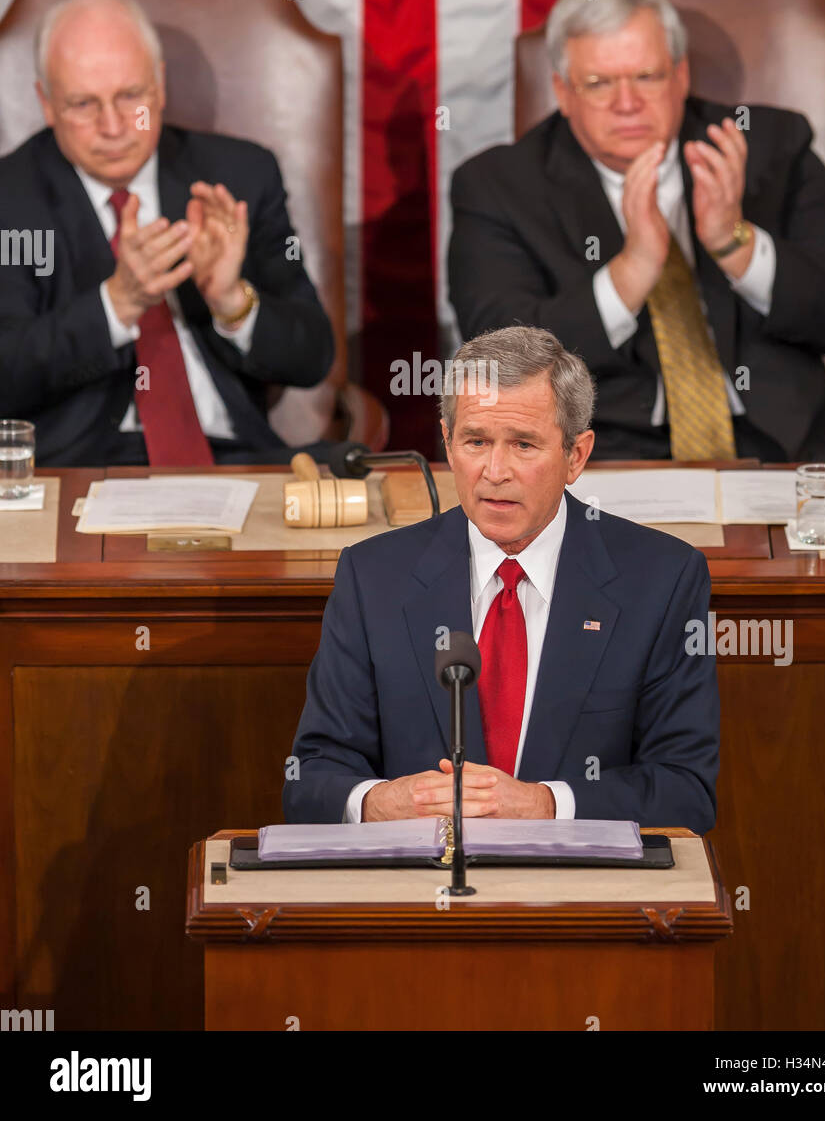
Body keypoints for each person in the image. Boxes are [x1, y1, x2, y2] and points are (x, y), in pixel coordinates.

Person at [284, 326, 719, 832]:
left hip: (578, 898)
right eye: (476, 441)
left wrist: (544, 805)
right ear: (447, 443)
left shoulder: (662, 580)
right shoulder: (373, 577)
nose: (495, 471)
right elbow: (309, 780)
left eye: (524, 445)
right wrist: (381, 802)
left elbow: (685, 792)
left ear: (576, 455)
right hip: (421, 894)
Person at [448, 0, 825, 462]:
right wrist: (630, 272)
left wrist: (735, 243)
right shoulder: (498, 186)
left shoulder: (770, 148)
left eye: (647, 77)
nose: (627, 103)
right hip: (602, 459)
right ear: (563, 92)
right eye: (599, 83)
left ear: (681, 76)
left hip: (793, 449)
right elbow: (499, 361)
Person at [0, 0, 335, 466]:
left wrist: (232, 302)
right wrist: (116, 305)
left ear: (159, 85)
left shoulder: (239, 175)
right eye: (83, 104)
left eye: (130, 96)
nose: (113, 126)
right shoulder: (10, 199)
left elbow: (313, 357)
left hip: (235, 462)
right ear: (47, 104)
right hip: (78, 472)